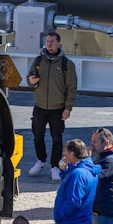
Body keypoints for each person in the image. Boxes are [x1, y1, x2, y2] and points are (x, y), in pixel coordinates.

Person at [26, 32, 77, 181]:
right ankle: (41, 160)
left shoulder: (66, 64)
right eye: (48, 41)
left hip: (57, 108)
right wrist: (31, 81)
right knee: (37, 136)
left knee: (56, 138)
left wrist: (68, 108)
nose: (49, 44)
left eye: (52, 41)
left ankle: (55, 166)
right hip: (40, 106)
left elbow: (72, 87)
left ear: (59, 44)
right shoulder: (38, 60)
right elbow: (29, 79)